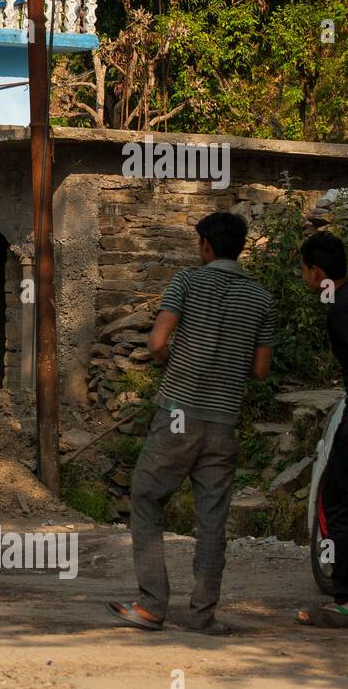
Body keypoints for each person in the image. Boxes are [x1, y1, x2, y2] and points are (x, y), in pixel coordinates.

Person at [108, 211, 276, 635]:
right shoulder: (261, 299)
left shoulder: (186, 282)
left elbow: (158, 341)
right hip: (223, 421)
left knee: (146, 497)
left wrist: (171, 362)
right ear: (239, 247)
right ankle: (203, 615)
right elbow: (259, 369)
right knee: (213, 520)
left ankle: (151, 604)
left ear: (205, 245)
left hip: (179, 414)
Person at [295, 232, 348, 629]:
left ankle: (344, 595)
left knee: (335, 498)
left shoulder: (341, 306)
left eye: (303, 271)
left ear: (318, 273)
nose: (303, 278)